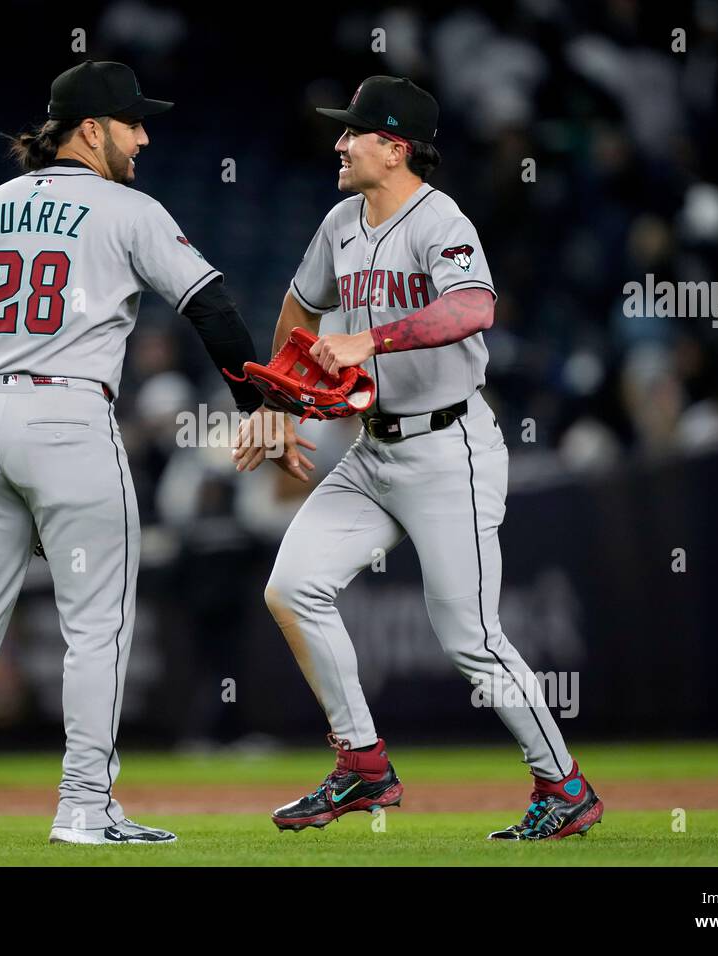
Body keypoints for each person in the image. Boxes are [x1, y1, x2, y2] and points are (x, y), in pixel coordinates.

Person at [0, 60, 264, 846]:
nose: (145, 135)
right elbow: (214, 308)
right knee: (96, 623)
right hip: (69, 414)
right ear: (91, 129)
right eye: (133, 122)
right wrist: (259, 409)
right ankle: (86, 807)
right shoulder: (128, 209)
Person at [233, 76, 603, 840]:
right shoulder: (341, 221)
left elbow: (475, 306)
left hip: (448, 447)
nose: (338, 143)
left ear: (394, 148)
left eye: (353, 133)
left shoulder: (441, 219)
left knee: (468, 634)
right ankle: (362, 764)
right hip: (373, 452)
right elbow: (301, 309)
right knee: (292, 588)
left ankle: (564, 786)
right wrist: (278, 402)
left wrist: (368, 338)